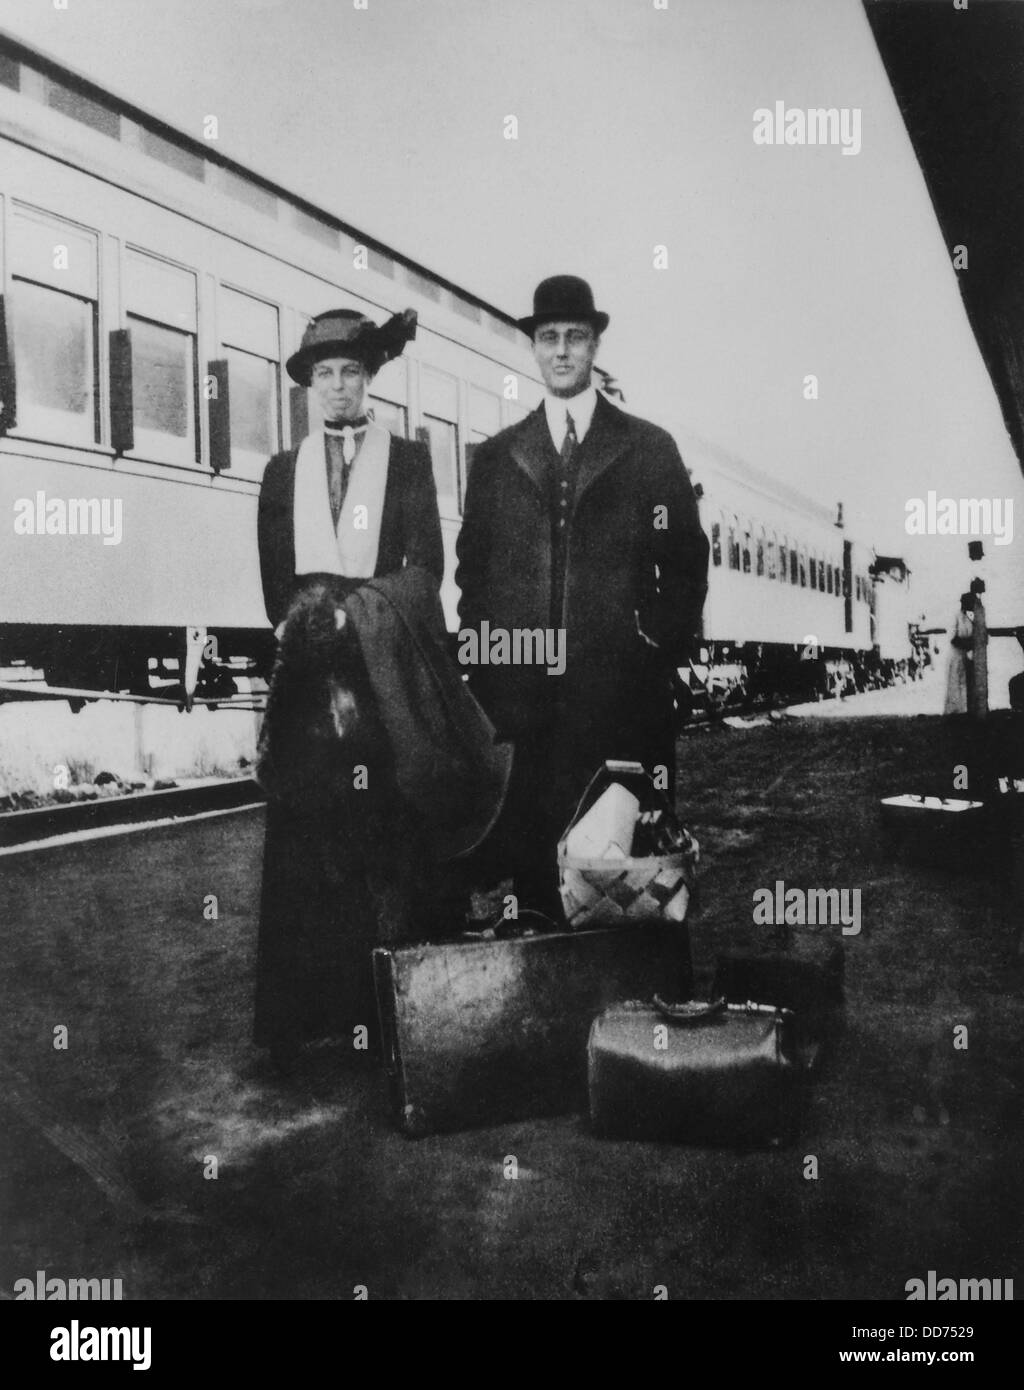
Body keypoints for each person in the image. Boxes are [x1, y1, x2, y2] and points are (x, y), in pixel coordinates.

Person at [455, 275, 709, 918]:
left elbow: (684, 560)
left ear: (595, 344)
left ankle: (629, 1008)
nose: (561, 350)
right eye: (548, 338)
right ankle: (549, 999)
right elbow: (473, 578)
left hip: (620, 701)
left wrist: (652, 647)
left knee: (629, 874)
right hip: (524, 707)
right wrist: (488, 674)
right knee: (540, 873)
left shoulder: (649, 450)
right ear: (534, 349)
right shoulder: (495, 459)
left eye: (574, 337)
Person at [254, 308, 443, 1066]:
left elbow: (426, 568)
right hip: (308, 682)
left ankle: (383, 1016)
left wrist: (358, 614)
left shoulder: (409, 462)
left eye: (351, 373)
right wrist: (312, 624)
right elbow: (274, 585)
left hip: (379, 675)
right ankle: (299, 1025)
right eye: (323, 375)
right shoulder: (280, 472)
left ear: (370, 380)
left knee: (380, 838)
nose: (337, 388)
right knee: (303, 843)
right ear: (308, 386)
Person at [943, 592, 975, 717]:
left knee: (963, 683)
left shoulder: (968, 618)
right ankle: (953, 712)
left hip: (964, 655)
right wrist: (967, 644)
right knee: (954, 683)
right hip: (955, 654)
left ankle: (962, 711)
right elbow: (953, 638)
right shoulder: (956, 617)